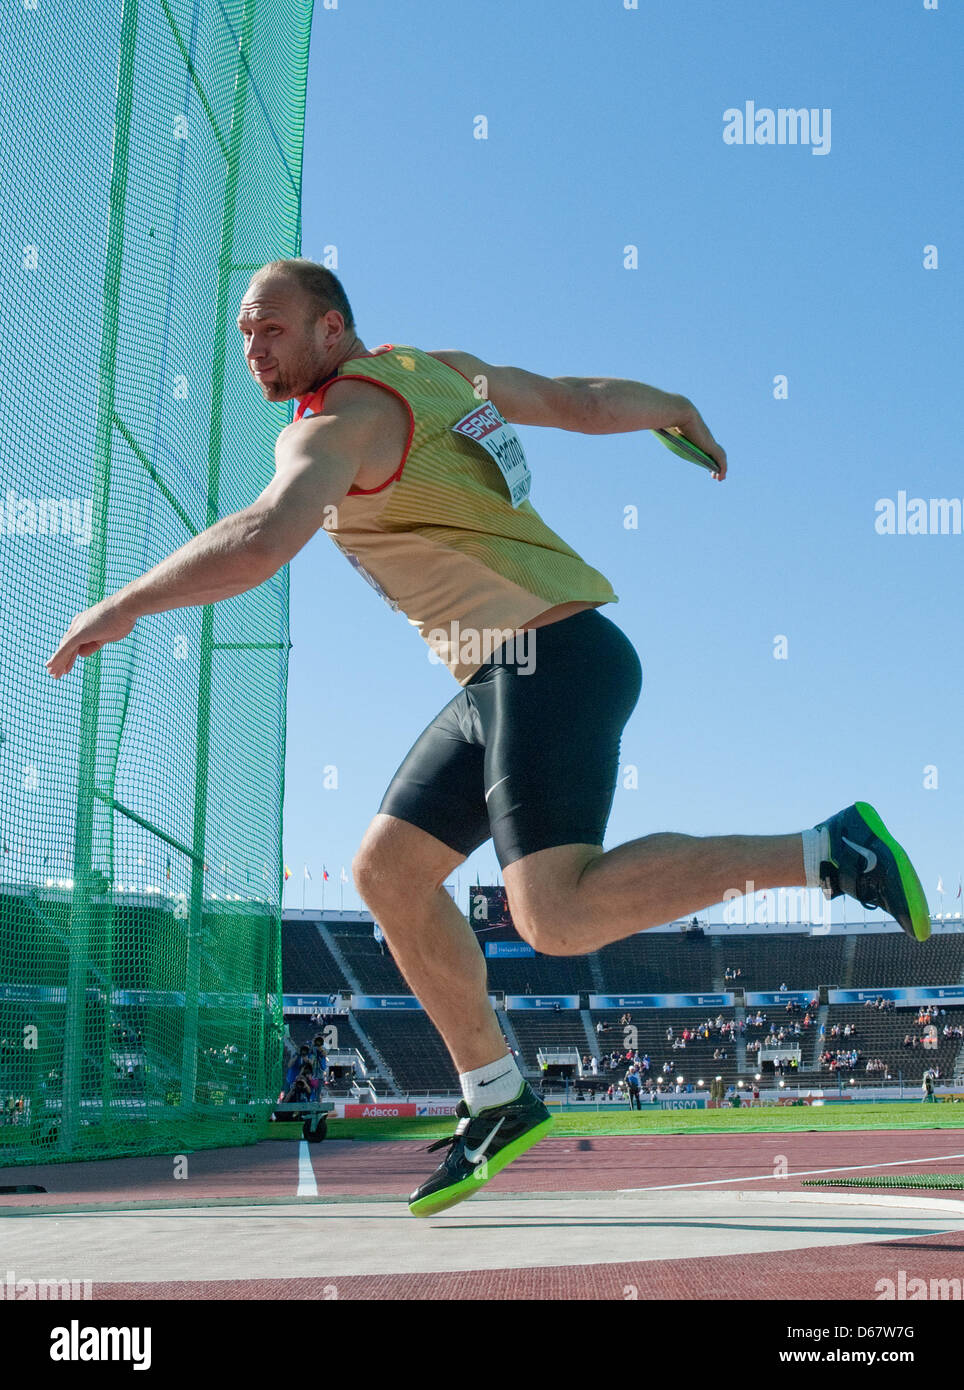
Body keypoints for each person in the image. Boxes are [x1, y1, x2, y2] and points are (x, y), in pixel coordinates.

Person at [45, 257, 933, 1219]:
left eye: (270, 328)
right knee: (386, 873)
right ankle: (498, 1097)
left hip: (544, 655)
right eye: (245, 333)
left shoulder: (337, 422)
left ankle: (826, 851)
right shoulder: (436, 369)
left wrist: (127, 603)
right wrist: (670, 404)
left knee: (555, 917)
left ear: (331, 330)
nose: (252, 348)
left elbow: (263, 537)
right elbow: (571, 399)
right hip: (503, 671)